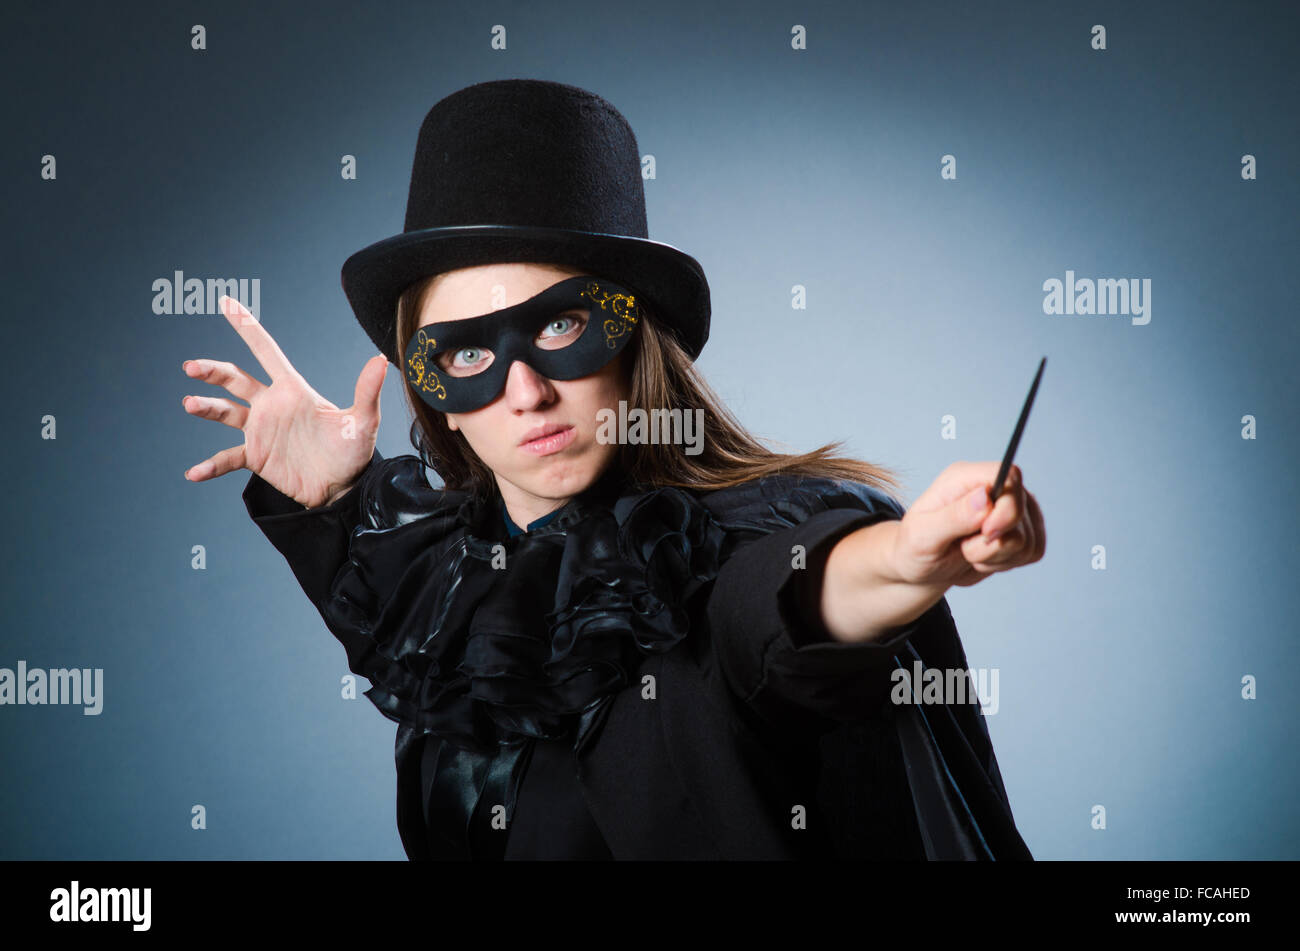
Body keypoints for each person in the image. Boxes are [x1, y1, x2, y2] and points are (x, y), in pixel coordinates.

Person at [182, 79, 1043, 860]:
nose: (524, 391)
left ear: (637, 339)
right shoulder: (446, 591)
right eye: (469, 353)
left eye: (559, 328)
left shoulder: (731, 553)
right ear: (432, 389)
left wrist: (900, 561)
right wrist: (333, 497)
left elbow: (789, 601)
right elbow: (390, 579)